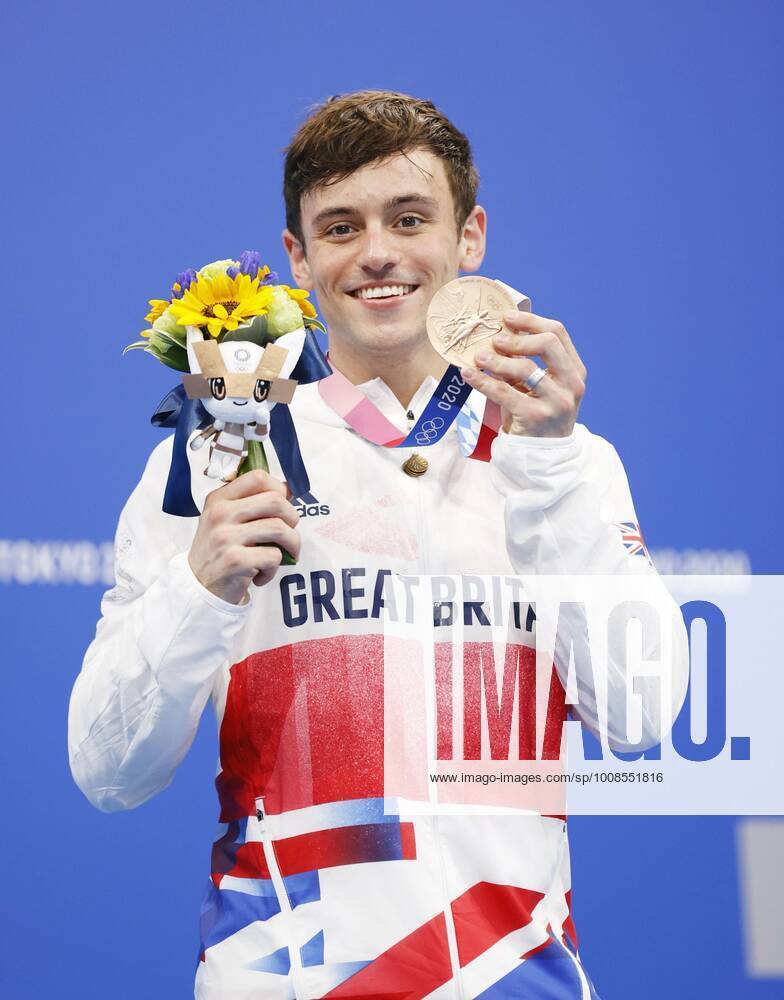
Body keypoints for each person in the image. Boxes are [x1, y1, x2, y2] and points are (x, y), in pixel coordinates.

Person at [68, 90, 688, 999]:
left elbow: (642, 717)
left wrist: (550, 468)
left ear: (470, 237)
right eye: (341, 227)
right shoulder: (212, 463)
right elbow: (107, 771)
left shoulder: (561, 455)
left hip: (515, 979)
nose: (376, 253)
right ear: (298, 258)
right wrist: (198, 588)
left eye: (409, 219)